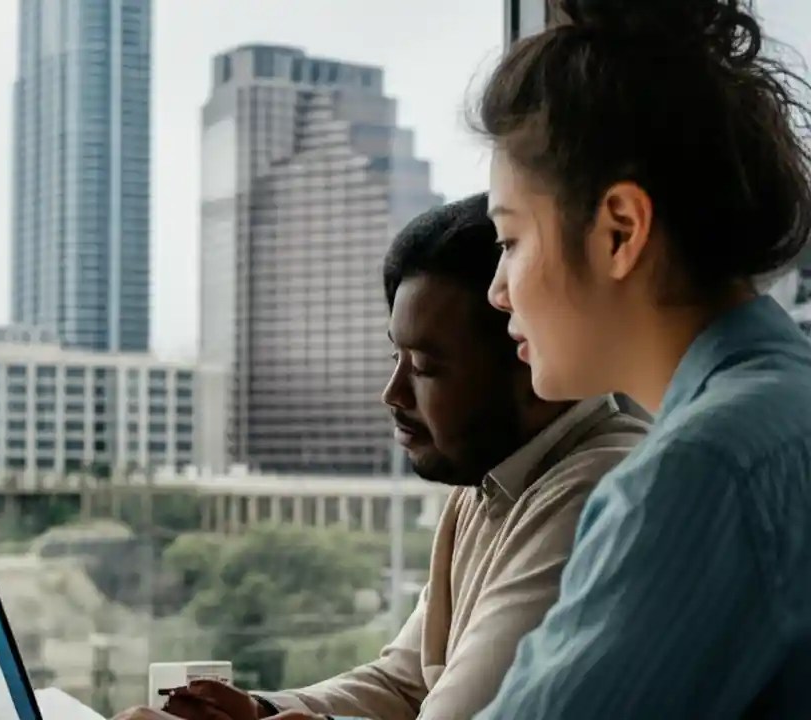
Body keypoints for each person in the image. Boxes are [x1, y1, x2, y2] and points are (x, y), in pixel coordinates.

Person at [112, 194, 648, 720]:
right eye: (397, 356)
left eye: (425, 367)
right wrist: (258, 710)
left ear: (531, 354)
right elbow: (406, 681)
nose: (391, 393)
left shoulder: (602, 492)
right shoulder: (490, 479)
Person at [471, 0, 811, 717]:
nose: (499, 292)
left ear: (619, 231)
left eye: (509, 241)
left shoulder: (701, 470)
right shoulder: (783, 409)